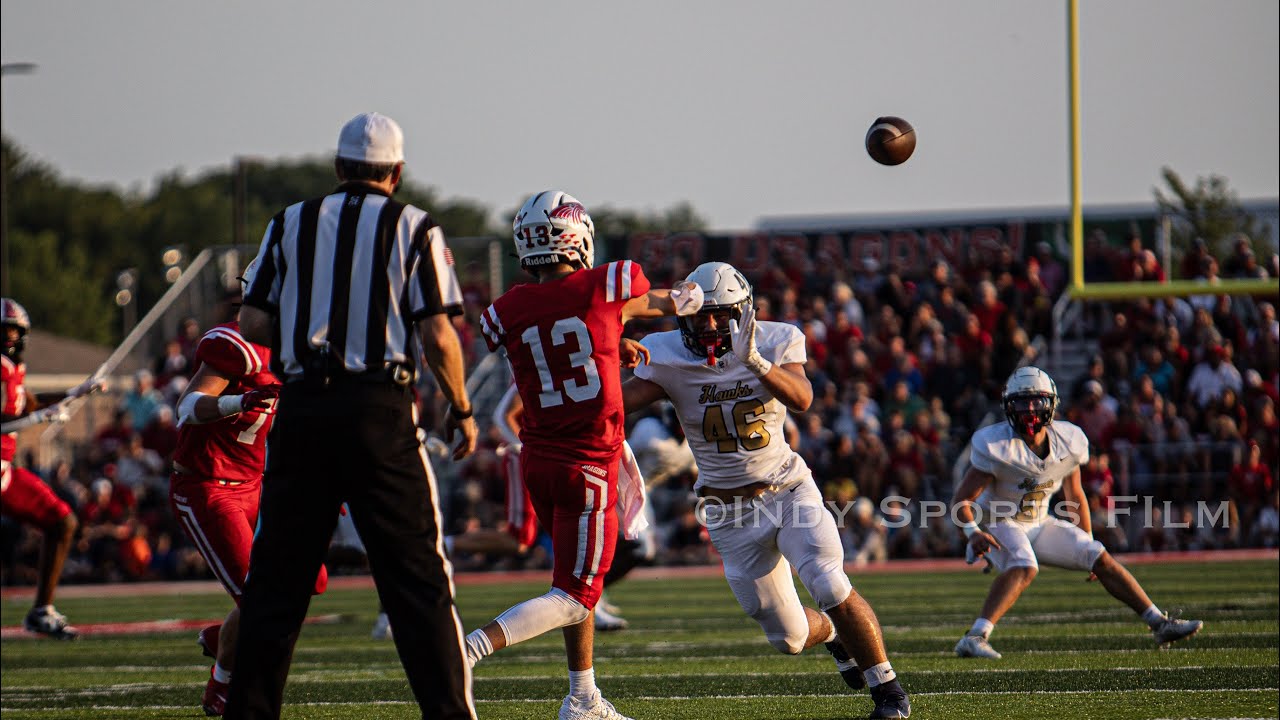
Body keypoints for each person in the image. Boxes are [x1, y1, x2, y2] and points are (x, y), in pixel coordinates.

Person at [230, 112, 478, 720]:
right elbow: (439, 333)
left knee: (276, 585)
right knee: (417, 580)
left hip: (304, 407)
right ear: (396, 172)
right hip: (379, 409)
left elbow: (252, 322)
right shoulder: (414, 226)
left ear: (339, 168)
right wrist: (461, 408)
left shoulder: (291, 222)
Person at [620, 262, 911, 719]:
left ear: (744, 311)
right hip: (726, 511)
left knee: (829, 580)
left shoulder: (775, 338)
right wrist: (602, 357)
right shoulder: (666, 354)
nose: (710, 325)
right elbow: (617, 407)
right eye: (699, 315)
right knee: (790, 638)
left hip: (786, 489)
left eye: (720, 314)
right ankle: (835, 637)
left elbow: (802, 397)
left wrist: (756, 362)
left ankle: (888, 691)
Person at [464, 190, 704, 720]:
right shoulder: (606, 285)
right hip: (588, 464)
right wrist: (697, 295)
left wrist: (609, 339)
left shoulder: (506, 310)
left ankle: (583, 696)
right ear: (577, 237)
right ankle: (466, 651)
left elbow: (557, 325)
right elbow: (660, 300)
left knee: (572, 584)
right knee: (575, 594)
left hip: (540, 461)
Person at [951, 366, 1204, 660]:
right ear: (1009, 406)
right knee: (1024, 565)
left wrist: (1086, 541)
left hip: (1039, 522)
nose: (1030, 409)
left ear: (1051, 404)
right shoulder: (997, 445)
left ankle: (1159, 623)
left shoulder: (1069, 440)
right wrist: (973, 533)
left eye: (1037, 401)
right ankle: (975, 637)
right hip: (999, 521)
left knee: (1101, 557)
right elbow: (961, 501)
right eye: (1022, 402)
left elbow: (1075, 494)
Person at [168, 314, 329, 716]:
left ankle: (222, 637)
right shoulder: (238, 343)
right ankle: (223, 683)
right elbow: (186, 407)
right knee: (261, 597)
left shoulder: (301, 345)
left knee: (310, 579)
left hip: (256, 484)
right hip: (208, 486)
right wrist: (238, 401)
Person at [1, 298, 105, 639]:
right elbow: (19, 414)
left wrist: (75, 392)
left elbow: (27, 402)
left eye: (14, 331)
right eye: (4, 331)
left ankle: (41, 610)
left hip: (4, 472)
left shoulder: (13, 369)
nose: (9, 338)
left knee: (62, 522)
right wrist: (34, 418)